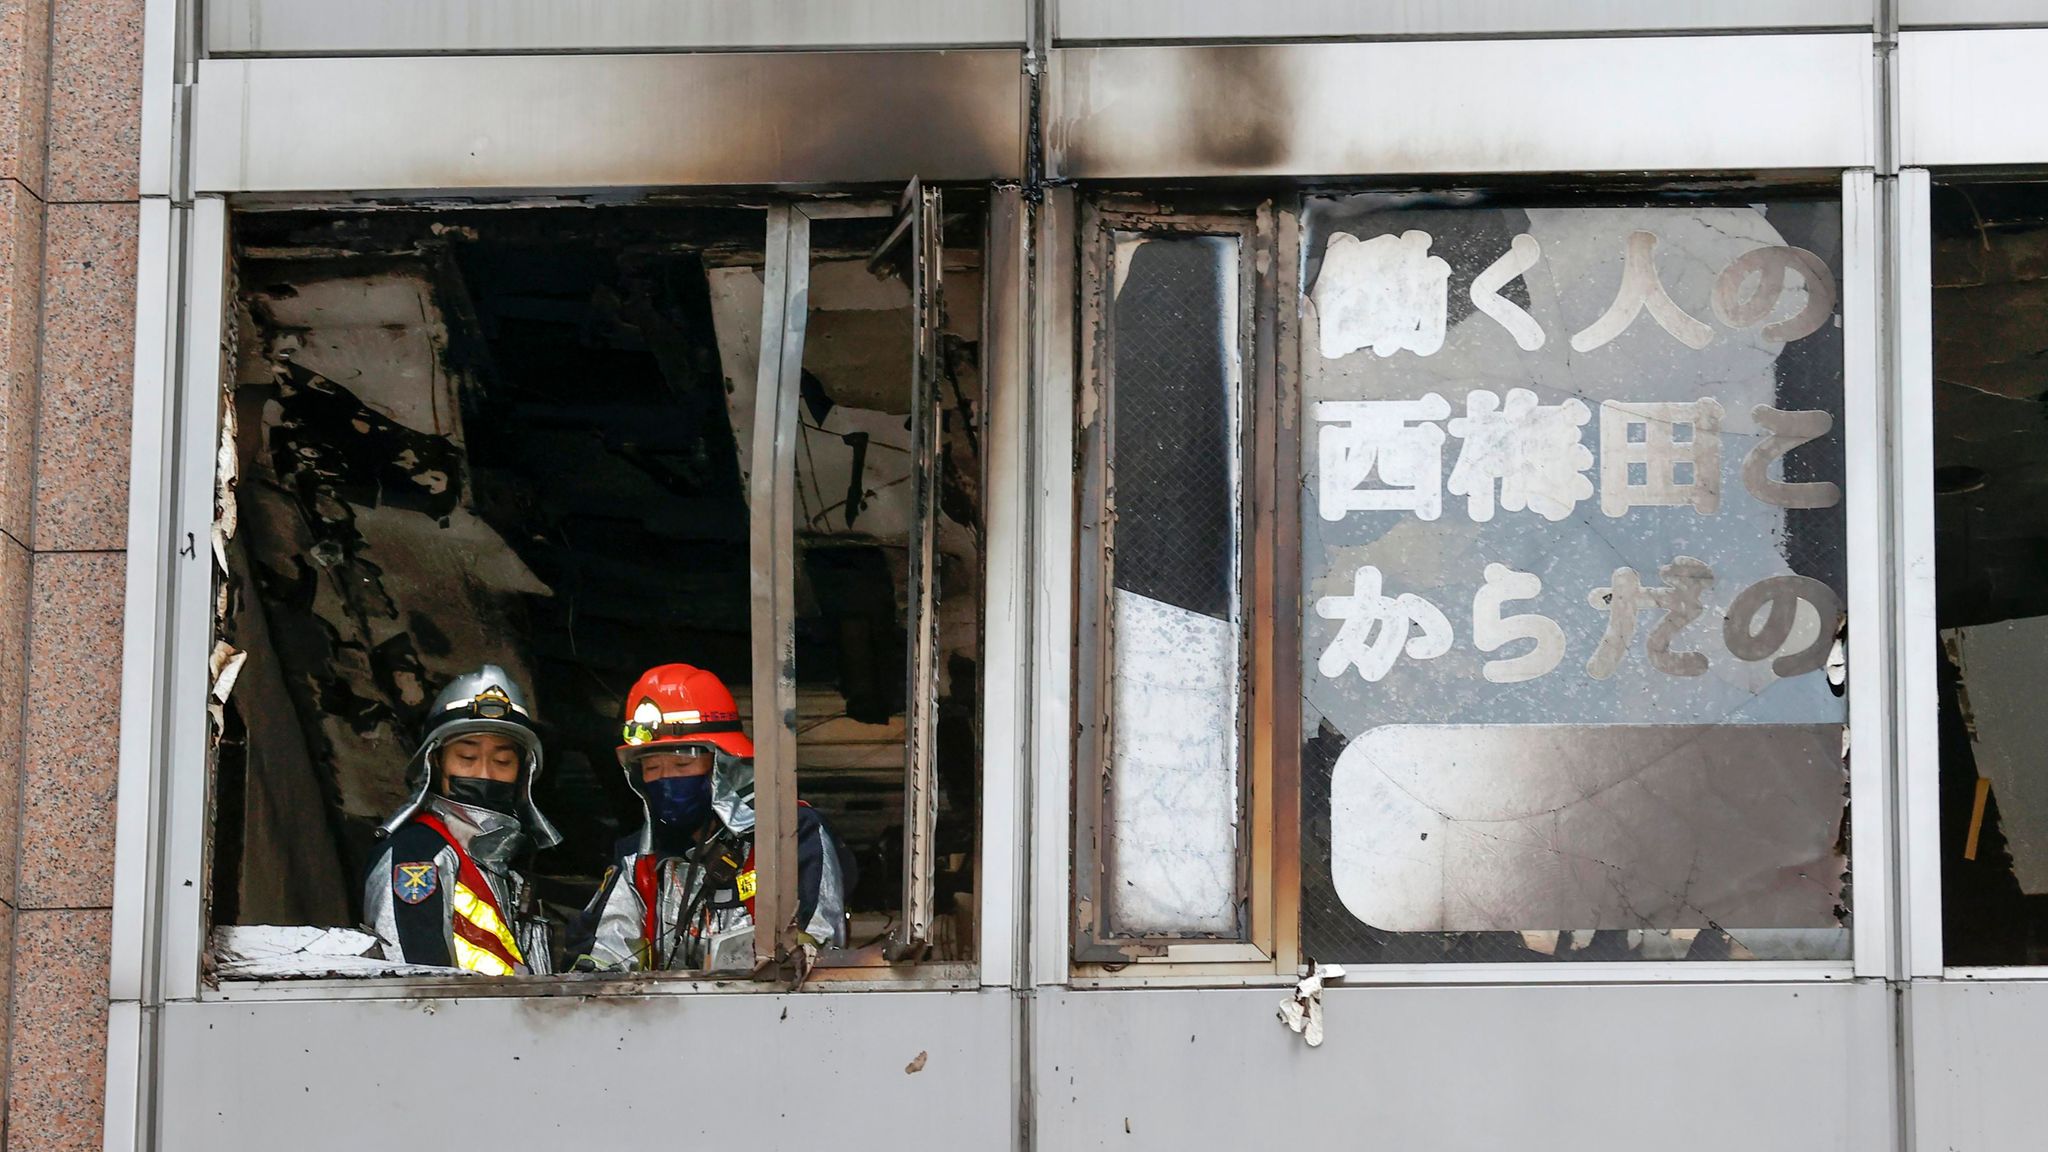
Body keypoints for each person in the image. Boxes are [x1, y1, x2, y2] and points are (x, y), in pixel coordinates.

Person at [569, 663, 853, 973]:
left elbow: (818, 953)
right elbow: (599, 961)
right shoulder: (639, 861)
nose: (666, 780)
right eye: (652, 768)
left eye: (681, 765)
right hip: (664, 1019)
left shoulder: (792, 834)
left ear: (725, 765)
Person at [363, 665, 561, 975]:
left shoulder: (507, 869)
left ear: (524, 773)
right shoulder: (417, 856)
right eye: (467, 758)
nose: (484, 774)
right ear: (436, 763)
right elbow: (416, 990)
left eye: (502, 761)